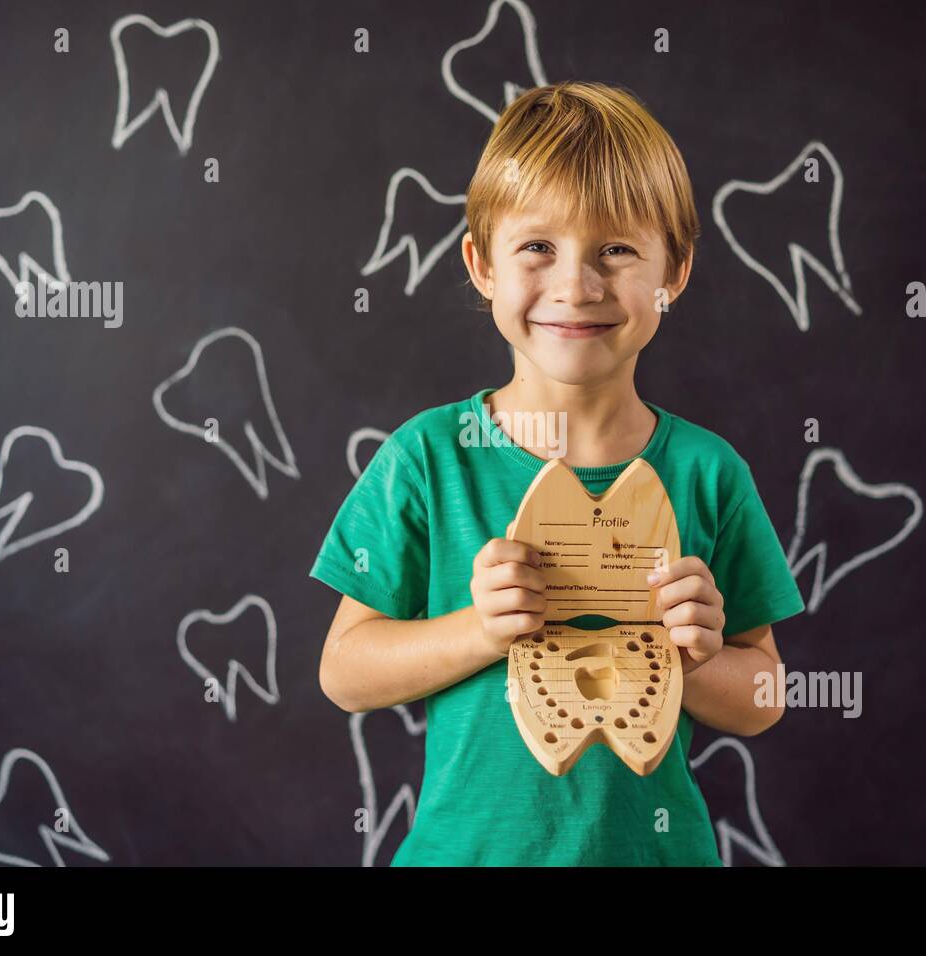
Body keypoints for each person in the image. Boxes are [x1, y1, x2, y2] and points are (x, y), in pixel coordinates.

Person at [310, 81, 805, 866]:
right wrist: (480, 629)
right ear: (481, 265)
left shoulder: (710, 473)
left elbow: (766, 698)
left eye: (616, 249)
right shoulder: (427, 459)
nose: (577, 285)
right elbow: (345, 671)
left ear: (672, 270)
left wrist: (697, 657)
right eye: (537, 247)